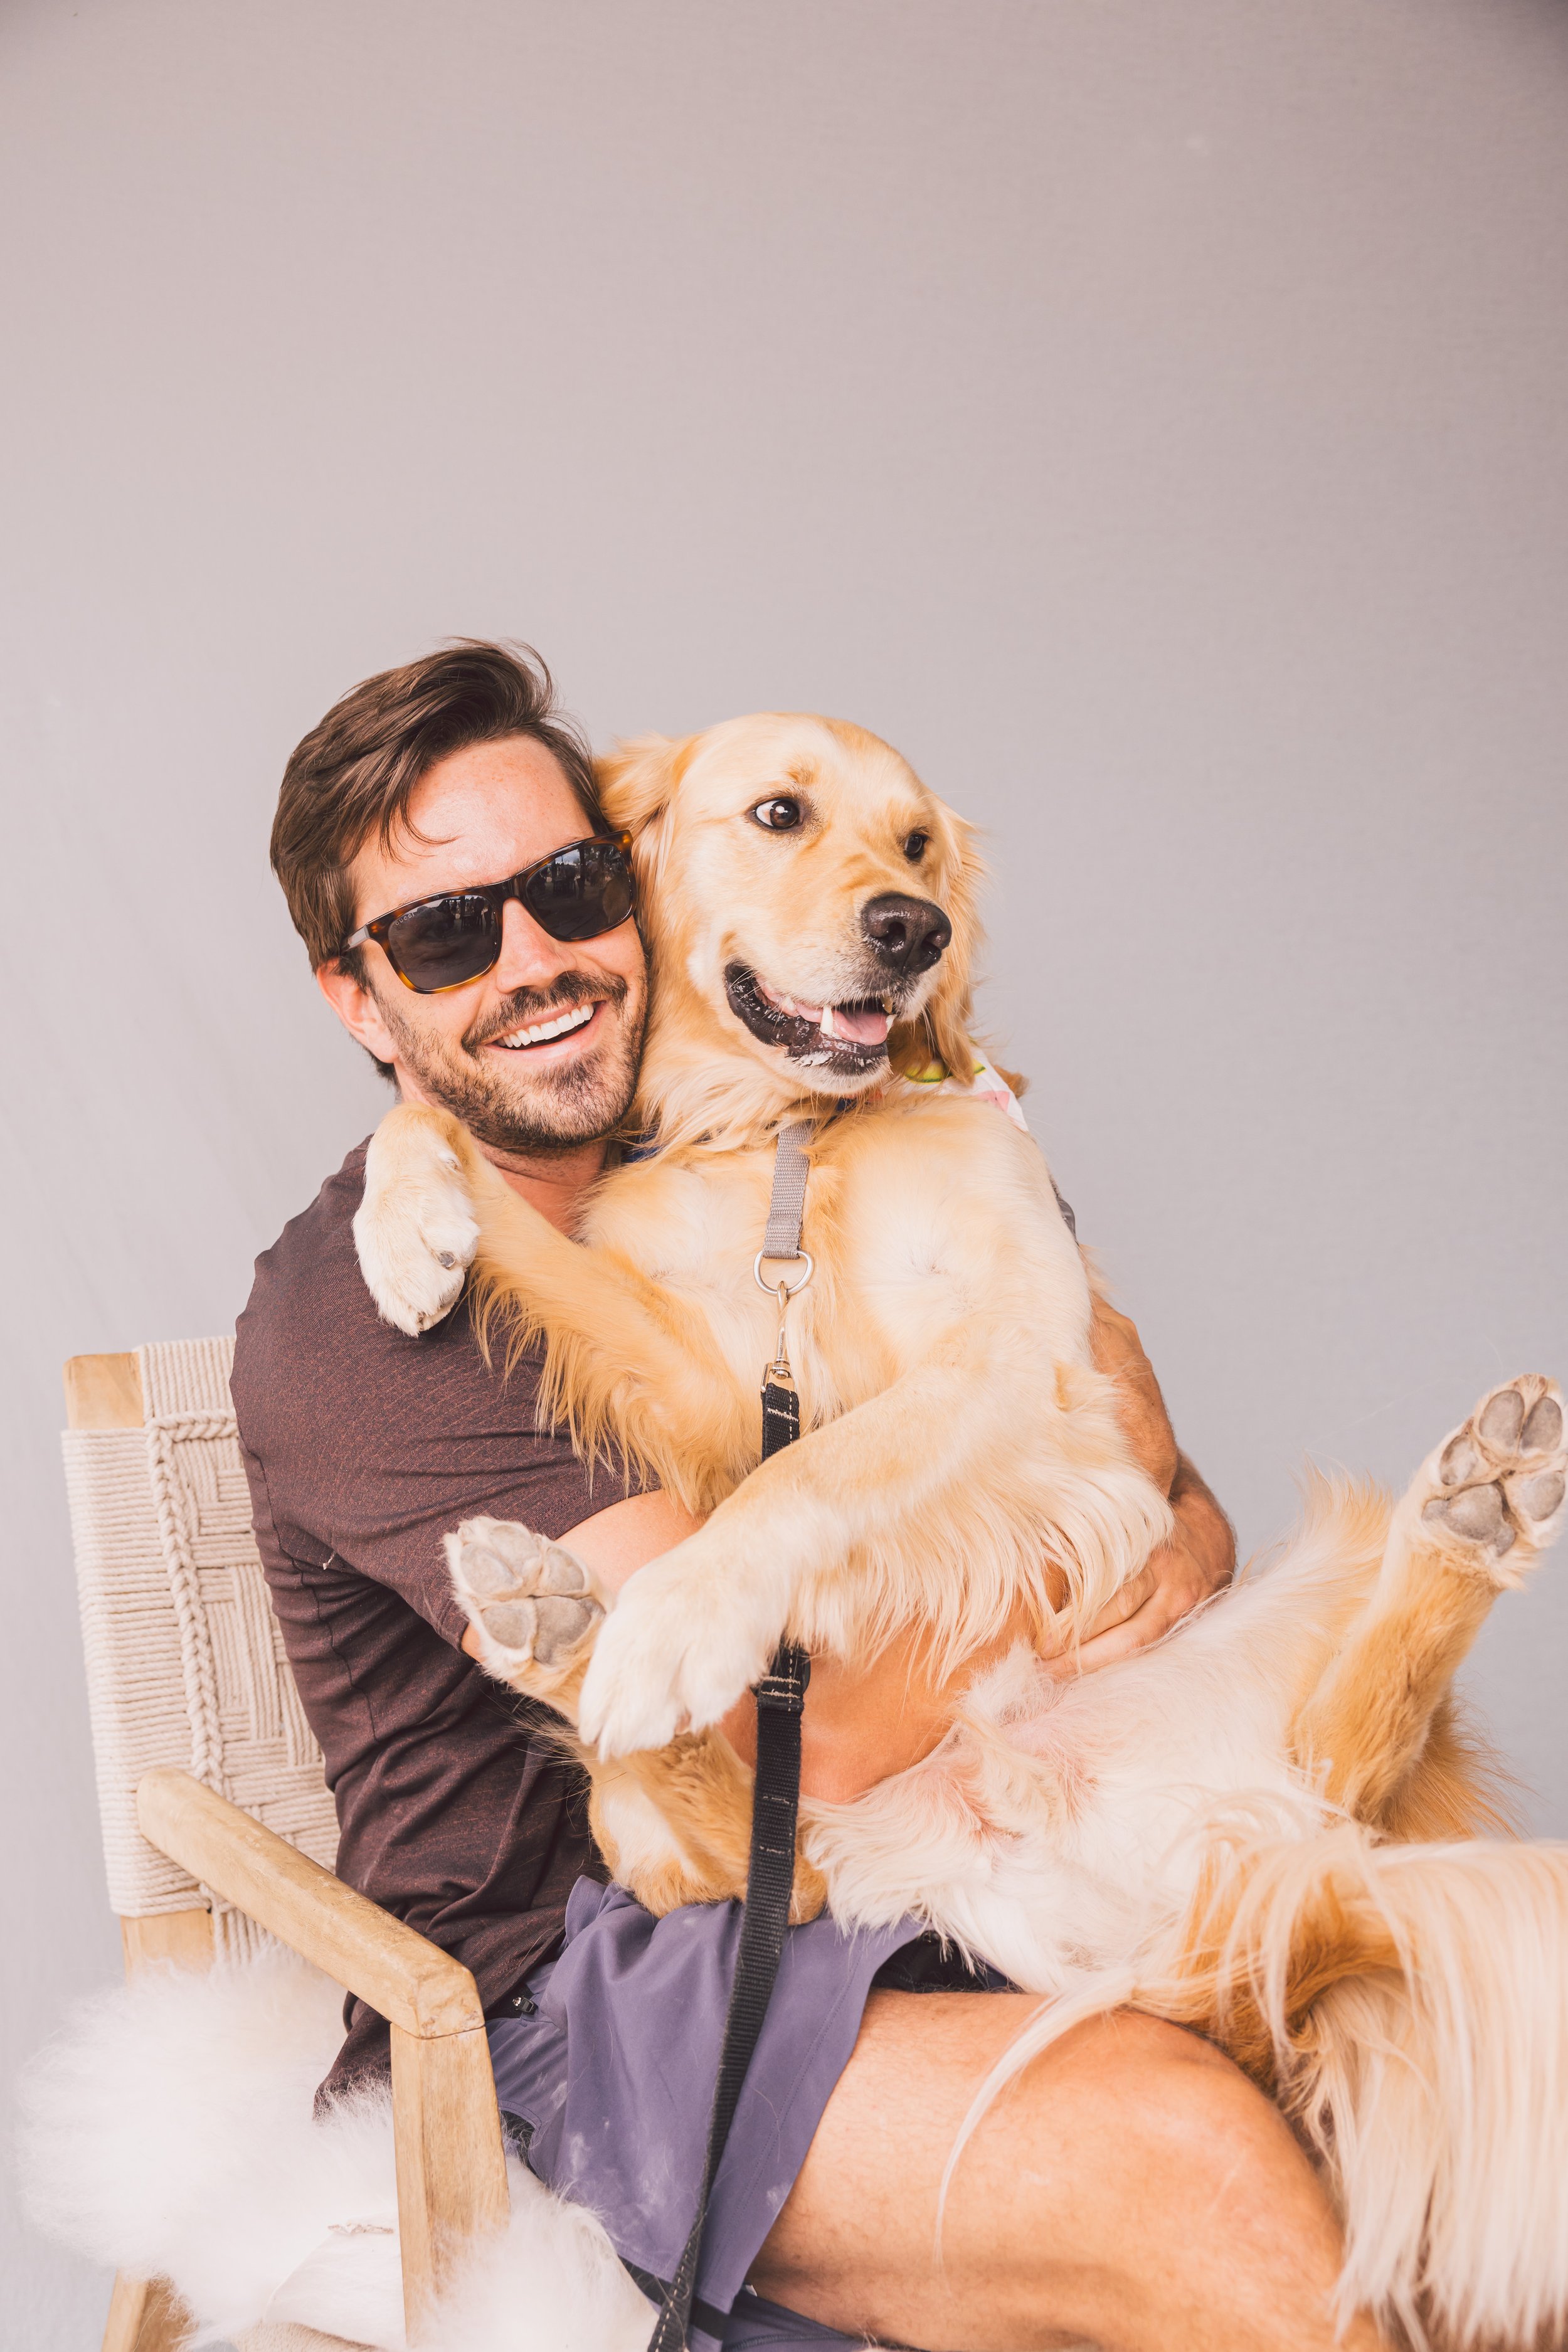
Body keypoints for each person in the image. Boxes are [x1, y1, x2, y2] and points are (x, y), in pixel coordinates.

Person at [233, 641, 1392, 2352]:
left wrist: (1180, 1515)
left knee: (1435, 2105)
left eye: (569, 891)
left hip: (926, 1883)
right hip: (573, 1992)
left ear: (639, 885)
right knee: (1189, 2164)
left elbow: (1079, 1449)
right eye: (449, 933)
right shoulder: (384, 1295)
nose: (536, 960)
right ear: (359, 996)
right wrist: (1137, 1536)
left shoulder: (775, 1153)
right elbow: (814, 1737)